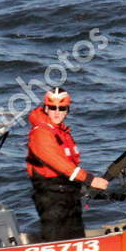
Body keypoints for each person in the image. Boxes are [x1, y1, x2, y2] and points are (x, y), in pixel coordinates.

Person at [25, 87, 108, 242]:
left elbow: (69, 164)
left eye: (61, 108)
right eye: (52, 108)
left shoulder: (61, 131)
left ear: (67, 110)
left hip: (68, 192)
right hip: (51, 196)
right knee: (57, 237)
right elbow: (59, 162)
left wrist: (82, 185)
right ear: (46, 109)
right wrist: (90, 179)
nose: (57, 112)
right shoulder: (41, 133)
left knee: (75, 235)